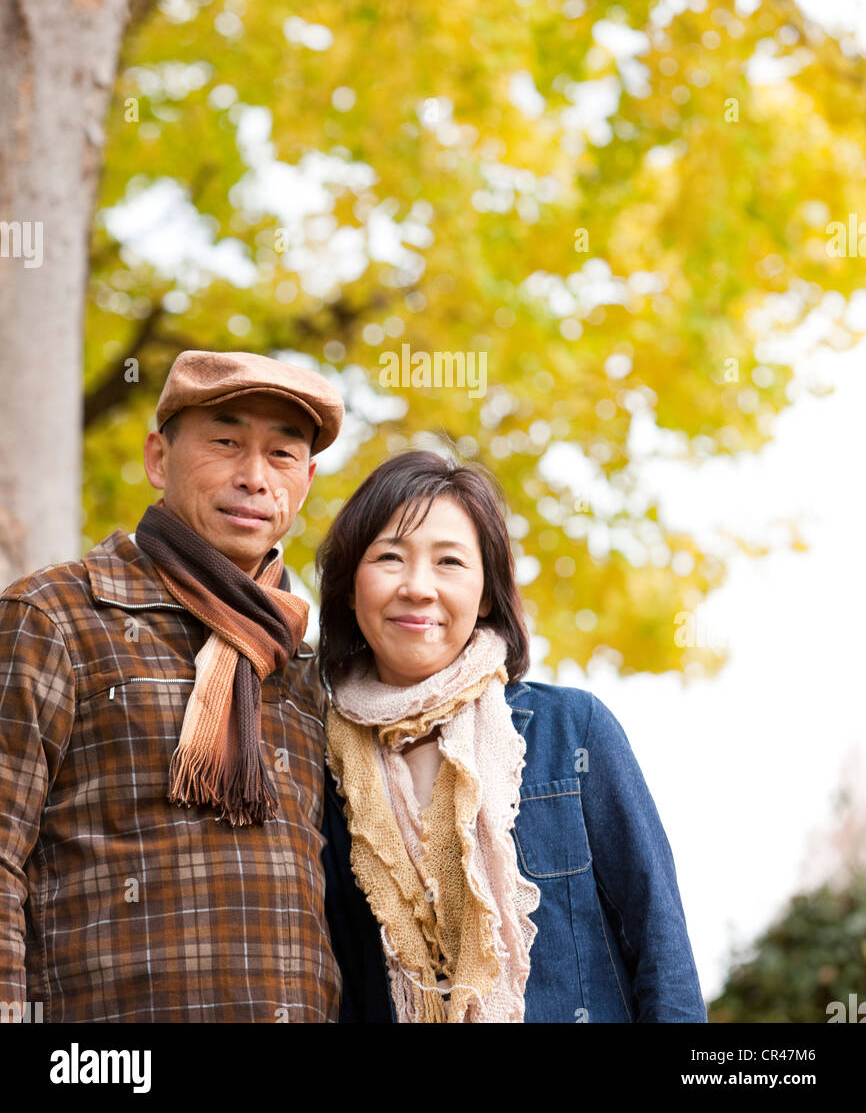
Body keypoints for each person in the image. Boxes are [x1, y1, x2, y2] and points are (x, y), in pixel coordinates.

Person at [0, 348, 345, 1023]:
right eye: (225, 442)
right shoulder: (55, 617)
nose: (254, 478)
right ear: (159, 458)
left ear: (304, 481)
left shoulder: (306, 675)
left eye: (281, 455)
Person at [317, 450, 708, 1023]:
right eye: (390, 557)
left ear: (486, 594)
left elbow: (660, 942)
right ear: (351, 588)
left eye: (449, 561)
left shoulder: (570, 730)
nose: (418, 587)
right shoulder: (322, 765)